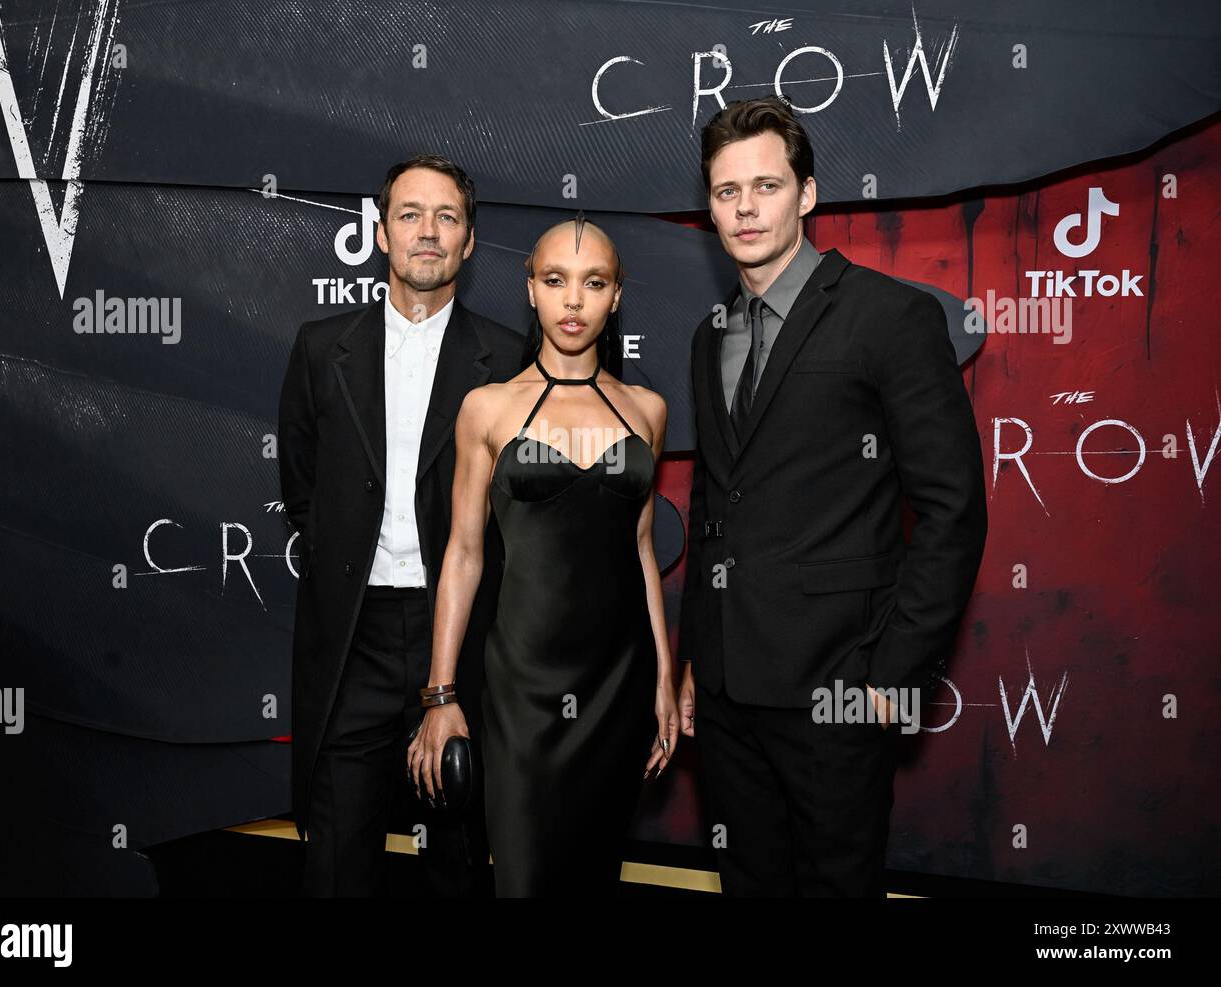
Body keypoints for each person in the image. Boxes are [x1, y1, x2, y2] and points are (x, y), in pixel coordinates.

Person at [677, 97, 988, 896]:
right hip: (725, 691)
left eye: (766, 186)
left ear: (808, 195)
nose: (745, 208)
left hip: (839, 687)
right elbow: (715, 500)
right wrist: (692, 660)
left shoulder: (890, 317)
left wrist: (892, 674)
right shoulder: (710, 334)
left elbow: (953, 508)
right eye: (725, 191)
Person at [408, 212, 680, 896]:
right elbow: (463, 554)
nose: (574, 300)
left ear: (616, 296)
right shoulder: (488, 408)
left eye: (594, 283)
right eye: (556, 280)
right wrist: (440, 693)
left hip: (618, 685)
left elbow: (643, 550)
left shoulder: (647, 409)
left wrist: (663, 679)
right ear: (530, 289)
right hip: (523, 690)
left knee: (595, 879)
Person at [278, 153, 525, 896]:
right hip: (353, 636)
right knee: (335, 860)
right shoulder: (322, 349)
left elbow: (512, 517)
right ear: (380, 233)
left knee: (460, 859)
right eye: (411, 215)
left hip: (459, 633)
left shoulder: (510, 360)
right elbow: (302, 488)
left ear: (470, 242)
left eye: (447, 217)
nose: (428, 232)